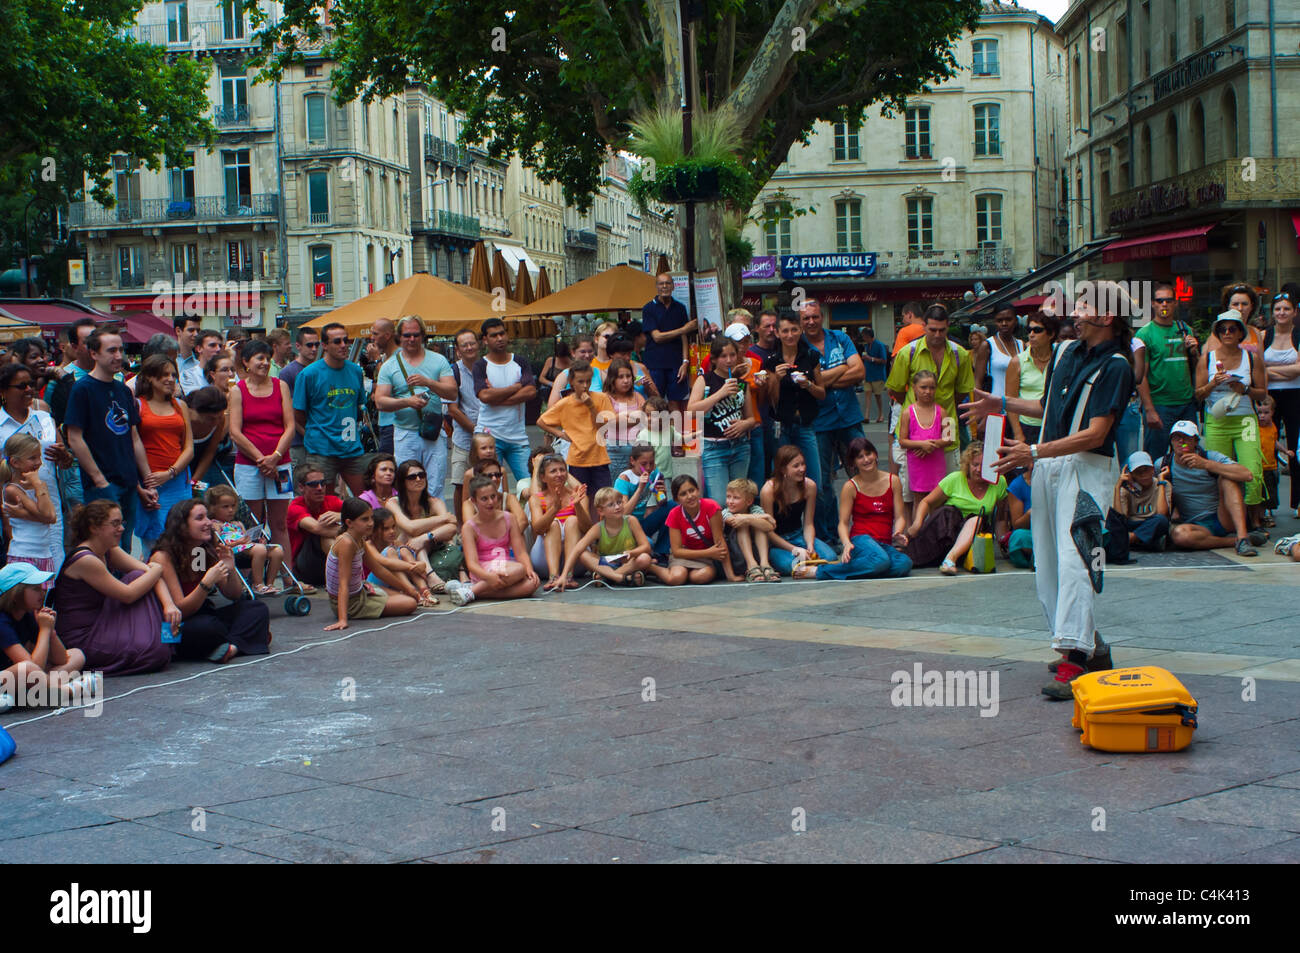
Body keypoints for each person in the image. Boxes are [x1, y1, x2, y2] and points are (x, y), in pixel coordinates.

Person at [962, 284, 1136, 699]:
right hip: (1051, 463)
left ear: (1107, 317)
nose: (1076, 312)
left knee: (1077, 558)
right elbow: (1046, 407)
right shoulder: (1067, 353)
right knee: (1050, 563)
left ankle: (1075, 657)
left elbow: (1096, 434)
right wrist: (999, 404)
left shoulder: (1116, 366)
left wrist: (1034, 450)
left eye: (1086, 305)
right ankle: (1091, 648)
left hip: (1087, 469)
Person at [53, 500, 170, 675]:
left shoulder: (108, 549)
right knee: (153, 652)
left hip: (104, 619)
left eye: (121, 523)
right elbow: (128, 594)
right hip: (84, 636)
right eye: (115, 524)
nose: (122, 528)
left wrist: (170, 605)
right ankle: (167, 642)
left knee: (139, 577)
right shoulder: (86, 559)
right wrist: (158, 567)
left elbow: (148, 574)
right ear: (94, 528)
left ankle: (171, 639)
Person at [150, 498, 271, 663]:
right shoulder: (163, 556)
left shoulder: (199, 551)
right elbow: (182, 611)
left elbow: (233, 595)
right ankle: (246, 639)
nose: (208, 523)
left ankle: (232, 648)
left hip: (203, 615)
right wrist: (206, 583)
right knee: (208, 628)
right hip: (173, 626)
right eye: (200, 518)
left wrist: (230, 567)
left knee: (257, 609)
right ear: (182, 526)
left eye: (207, 517)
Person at [64, 330, 157, 544]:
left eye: (121, 350)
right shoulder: (82, 389)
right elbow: (75, 438)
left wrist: (146, 480)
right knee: (106, 545)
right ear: (94, 354)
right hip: (102, 483)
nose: (118, 356)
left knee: (124, 543)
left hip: (129, 482)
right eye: (111, 350)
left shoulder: (123, 390)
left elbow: (133, 437)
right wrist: (99, 479)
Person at [800, 299, 866, 542]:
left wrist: (821, 381)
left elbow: (859, 372)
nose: (811, 321)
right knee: (822, 482)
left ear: (822, 316)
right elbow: (805, 384)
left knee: (862, 472)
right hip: (819, 422)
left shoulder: (840, 338)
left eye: (815, 316)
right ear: (800, 320)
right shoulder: (799, 345)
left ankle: (865, 529)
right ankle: (828, 536)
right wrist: (840, 369)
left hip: (849, 417)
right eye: (806, 318)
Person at [1196, 310, 1267, 526]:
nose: (1227, 333)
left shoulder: (1251, 358)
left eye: (1232, 329)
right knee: (1221, 472)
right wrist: (1212, 384)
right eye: (1222, 329)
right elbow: (1198, 393)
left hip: (1245, 419)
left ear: (1240, 333)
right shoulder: (1207, 358)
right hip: (1217, 421)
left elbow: (1262, 393)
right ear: (1217, 332)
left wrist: (1244, 389)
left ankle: (1255, 519)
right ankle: (1229, 522)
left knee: (1252, 470)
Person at [375, 315, 457, 498]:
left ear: (423, 336)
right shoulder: (390, 366)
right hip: (405, 433)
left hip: (433, 431)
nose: (412, 339)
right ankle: (412, 525)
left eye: (416, 335)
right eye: (407, 335)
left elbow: (452, 392)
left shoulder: (438, 360)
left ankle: (435, 524)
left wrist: (429, 382)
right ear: (399, 337)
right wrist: (407, 402)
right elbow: (380, 401)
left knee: (435, 487)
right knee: (407, 487)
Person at [228, 338, 295, 560]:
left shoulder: (280, 386)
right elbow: (235, 432)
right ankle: (253, 577)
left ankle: (288, 576)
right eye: (260, 358)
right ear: (246, 362)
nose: (265, 363)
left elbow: (290, 426)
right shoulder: (238, 390)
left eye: (267, 358)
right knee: (252, 524)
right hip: (249, 466)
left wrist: (275, 457)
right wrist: (261, 460)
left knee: (280, 523)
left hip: (281, 464)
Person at [0, 362, 71, 567]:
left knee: (55, 558)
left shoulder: (44, 417)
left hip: (49, 498)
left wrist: (63, 456)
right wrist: (5, 516)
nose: (29, 389)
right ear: (4, 391)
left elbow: (66, 462)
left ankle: (50, 599)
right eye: (21, 386)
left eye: (30, 384)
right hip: (16, 502)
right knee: (26, 563)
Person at [1164, 419, 1267, 556]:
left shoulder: (1210, 456)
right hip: (1196, 525)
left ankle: (1242, 537)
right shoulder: (1164, 463)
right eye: (1176, 437)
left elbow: (1247, 475)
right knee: (1180, 536)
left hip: (1222, 516)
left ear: (1195, 441)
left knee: (1227, 477)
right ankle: (1235, 541)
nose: (1180, 441)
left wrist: (1207, 465)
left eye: (1185, 437)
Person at [816, 437, 912, 580]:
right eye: (860, 457)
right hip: (861, 541)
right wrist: (847, 544)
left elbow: (899, 517)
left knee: (904, 564)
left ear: (876, 455)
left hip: (883, 544)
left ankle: (866, 568)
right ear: (854, 463)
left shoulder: (893, 481)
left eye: (868, 454)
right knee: (881, 560)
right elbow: (842, 523)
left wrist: (898, 532)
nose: (866, 459)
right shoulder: (850, 486)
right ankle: (821, 571)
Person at [905, 441, 1008, 574]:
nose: (978, 470)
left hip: (976, 536)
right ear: (967, 464)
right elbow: (926, 502)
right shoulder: (955, 479)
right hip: (947, 531)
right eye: (975, 465)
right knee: (948, 512)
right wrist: (917, 523)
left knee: (977, 519)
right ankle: (943, 557)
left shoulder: (1000, 482)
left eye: (984, 466)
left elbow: (1000, 519)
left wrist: (1003, 543)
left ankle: (951, 558)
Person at [0, 563, 91, 712]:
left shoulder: (28, 614)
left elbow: (61, 659)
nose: (43, 592)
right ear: (15, 593)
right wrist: (44, 630)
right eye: (35, 589)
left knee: (76, 654)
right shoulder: (2, 621)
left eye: (42, 587)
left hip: (20, 680)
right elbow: (33, 669)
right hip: (9, 678)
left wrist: (50, 631)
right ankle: (67, 690)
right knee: (28, 668)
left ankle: (38, 692)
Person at [293, 322, 369, 495]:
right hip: (321, 450)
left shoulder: (355, 371)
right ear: (325, 346)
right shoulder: (308, 374)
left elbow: (358, 407)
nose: (343, 345)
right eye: (337, 341)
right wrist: (317, 431)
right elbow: (298, 413)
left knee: (365, 498)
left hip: (351, 448)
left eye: (346, 340)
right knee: (322, 502)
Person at [322, 498, 418, 629]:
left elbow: (378, 569)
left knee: (407, 595)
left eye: (371, 518)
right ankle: (350, 612)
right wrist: (342, 620)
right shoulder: (347, 543)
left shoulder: (359, 539)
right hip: (351, 602)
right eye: (365, 519)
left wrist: (408, 588)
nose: (371, 523)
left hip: (361, 589)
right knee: (410, 604)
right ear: (349, 523)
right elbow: (343, 584)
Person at [133, 355, 195, 552]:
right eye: (164, 375)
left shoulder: (180, 405)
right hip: (150, 483)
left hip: (178, 480)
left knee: (185, 536)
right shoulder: (138, 405)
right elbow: (131, 446)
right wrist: (142, 484)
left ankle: (188, 580)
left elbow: (189, 447)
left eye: (173, 375)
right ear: (150, 378)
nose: (170, 379)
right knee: (156, 542)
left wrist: (170, 472)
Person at [446, 476, 540, 605]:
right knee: (519, 569)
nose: (490, 502)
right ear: (474, 501)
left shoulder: (509, 518)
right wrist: (488, 577)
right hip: (484, 572)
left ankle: (473, 592)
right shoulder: (469, 527)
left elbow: (521, 552)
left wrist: (529, 569)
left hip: (507, 568)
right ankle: (476, 589)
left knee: (531, 584)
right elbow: (472, 564)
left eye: (493, 496)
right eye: (484, 499)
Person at [689, 335, 758, 506]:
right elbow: (691, 410)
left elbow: (752, 418)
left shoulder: (742, 384)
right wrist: (721, 393)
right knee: (719, 502)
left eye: (732, 355)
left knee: (739, 500)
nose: (728, 360)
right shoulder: (705, 380)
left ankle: (737, 533)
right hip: (714, 448)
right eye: (723, 356)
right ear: (714, 359)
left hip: (740, 446)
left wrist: (745, 424)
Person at [1135, 281, 1200, 463]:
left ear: (1175, 303)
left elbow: (1196, 366)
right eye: (1160, 300)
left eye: (1169, 300)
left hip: (1186, 404)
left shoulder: (1184, 329)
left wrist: (1194, 351)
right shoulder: (1144, 334)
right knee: (1155, 459)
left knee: (1188, 456)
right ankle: (1157, 491)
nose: (1164, 304)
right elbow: (1141, 377)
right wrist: (1149, 409)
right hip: (1160, 405)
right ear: (1153, 303)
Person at [763, 313, 826, 492]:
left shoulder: (810, 356)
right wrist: (775, 379)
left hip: (805, 424)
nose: (790, 335)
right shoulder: (772, 361)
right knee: (784, 484)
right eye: (785, 331)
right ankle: (786, 520)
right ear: (778, 333)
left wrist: (808, 385)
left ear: (800, 331)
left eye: (794, 330)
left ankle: (813, 520)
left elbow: (821, 393)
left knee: (815, 483)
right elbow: (771, 401)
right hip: (781, 427)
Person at [536, 360, 615, 501]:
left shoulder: (601, 398)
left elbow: (603, 428)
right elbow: (541, 421)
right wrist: (560, 434)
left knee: (603, 499)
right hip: (577, 459)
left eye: (588, 381)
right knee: (581, 498)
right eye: (580, 381)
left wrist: (591, 406)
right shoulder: (565, 403)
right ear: (571, 382)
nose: (585, 386)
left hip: (599, 457)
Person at [473, 317, 537, 483]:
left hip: (518, 436)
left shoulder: (520, 361)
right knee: (490, 487)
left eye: (502, 333)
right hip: (489, 436)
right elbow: (484, 396)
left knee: (531, 484)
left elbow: (531, 391)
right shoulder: (481, 365)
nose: (500, 338)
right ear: (485, 340)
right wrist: (515, 387)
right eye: (494, 335)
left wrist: (497, 396)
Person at [556, 485, 656, 587]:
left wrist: (632, 552)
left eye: (619, 502)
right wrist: (564, 575)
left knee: (645, 558)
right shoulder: (598, 528)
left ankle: (607, 577)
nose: (617, 507)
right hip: (606, 564)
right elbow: (577, 549)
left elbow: (646, 546)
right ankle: (621, 578)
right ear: (600, 511)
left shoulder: (631, 521)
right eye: (611, 505)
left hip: (627, 563)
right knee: (583, 555)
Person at [760, 445, 836, 576]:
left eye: (803, 464)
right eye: (796, 466)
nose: (802, 469)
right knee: (789, 565)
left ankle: (810, 570)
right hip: (777, 541)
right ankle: (816, 571)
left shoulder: (809, 486)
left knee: (830, 557)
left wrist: (810, 544)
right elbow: (769, 532)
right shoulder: (768, 490)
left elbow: (808, 524)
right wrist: (794, 549)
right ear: (783, 469)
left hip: (798, 535)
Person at [388, 458, 458, 590]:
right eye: (412, 477)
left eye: (422, 475)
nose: (418, 479)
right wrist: (442, 518)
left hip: (429, 549)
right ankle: (430, 576)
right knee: (411, 534)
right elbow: (410, 528)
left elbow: (452, 527)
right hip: (400, 554)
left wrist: (425, 537)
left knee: (417, 537)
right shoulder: (392, 503)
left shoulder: (434, 502)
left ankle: (430, 575)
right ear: (402, 482)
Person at [206, 484, 284, 595]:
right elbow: (218, 544)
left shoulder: (238, 523)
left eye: (233, 506)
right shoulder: (216, 525)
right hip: (231, 550)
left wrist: (257, 541)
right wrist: (239, 542)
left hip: (247, 547)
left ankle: (269, 584)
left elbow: (247, 538)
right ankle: (257, 584)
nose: (231, 510)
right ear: (213, 508)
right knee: (260, 550)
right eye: (225, 507)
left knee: (278, 550)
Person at [1263, 290, 1300, 518]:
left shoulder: (1299, 334)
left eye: (1287, 308)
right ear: (1272, 312)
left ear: (1295, 311)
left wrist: (1270, 371)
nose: (1282, 312)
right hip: (1269, 397)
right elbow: (1258, 367)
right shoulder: (1264, 335)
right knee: (1267, 446)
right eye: (1278, 309)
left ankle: (1298, 502)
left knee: (1296, 449)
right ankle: (1267, 505)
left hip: (1296, 394)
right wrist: (1287, 371)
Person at [1, 433, 58, 580]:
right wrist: (39, 485)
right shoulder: (12, 489)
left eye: (39, 457)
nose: (39, 462)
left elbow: (53, 517)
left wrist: (38, 486)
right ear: (15, 462)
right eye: (32, 458)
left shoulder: (36, 486)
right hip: (25, 553)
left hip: (43, 552)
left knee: (42, 599)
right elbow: (47, 516)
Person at [529, 453, 590, 590]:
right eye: (553, 471)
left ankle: (568, 576)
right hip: (544, 559)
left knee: (573, 520)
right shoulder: (536, 499)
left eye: (562, 470)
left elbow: (587, 528)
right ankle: (553, 577)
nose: (559, 474)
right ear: (543, 477)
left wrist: (577, 505)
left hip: (577, 562)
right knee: (552, 523)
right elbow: (537, 529)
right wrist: (554, 509)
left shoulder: (578, 496)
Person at [896, 369, 951, 516]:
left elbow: (949, 438)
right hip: (918, 463)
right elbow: (902, 441)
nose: (928, 391)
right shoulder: (907, 412)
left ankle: (937, 532)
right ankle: (918, 534)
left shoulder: (943, 412)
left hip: (936, 463)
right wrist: (921, 445)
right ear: (914, 388)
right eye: (923, 387)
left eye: (932, 388)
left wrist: (931, 445)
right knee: (919, 499)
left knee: (937, 498)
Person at [641, 272, 693, 413]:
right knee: (655, 403)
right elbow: (657, 337)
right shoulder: (648, 308)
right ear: (656, 287)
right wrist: (683, 329)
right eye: (661, 283)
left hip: (676, 363)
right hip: (655, 364)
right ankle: (656, 433)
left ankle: (675, 434)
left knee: (675, 403)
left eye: (668, 283)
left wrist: (685, 361)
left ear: (673, 286)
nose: (664, 286)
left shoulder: (680, 308)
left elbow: (684, 337)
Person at [365, 508, 439, 607]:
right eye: (386, 529)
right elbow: (384, 562)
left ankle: (425, 591)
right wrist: (413, 566)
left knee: (404, 550)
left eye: (393, 527)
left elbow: (406, 557)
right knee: (390, 552)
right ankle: (412, 591)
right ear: (374, 531)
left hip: (395, 584)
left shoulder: (395, 542)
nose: (392, 531)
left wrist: (416, 565)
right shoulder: (368, 545)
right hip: (376, 583)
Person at [1005, 311, 1059, 444]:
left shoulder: (1061, 358)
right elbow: (1010, 401)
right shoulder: (1017, 361)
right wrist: (1018, 434)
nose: (1031, 335)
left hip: (1054, 425)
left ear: (1051, 334)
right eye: (1029, 330)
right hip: (1027, 427)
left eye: (1037, 330)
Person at [664, 473, 728, 585]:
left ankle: (687, 573)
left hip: (708, 556)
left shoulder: (711, 507)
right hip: (686, 553)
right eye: (683, 494)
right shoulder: (674, 514)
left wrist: (731, 576)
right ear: (676, 499)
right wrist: (708, 553)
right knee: (677, 578)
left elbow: (720, 542)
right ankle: (652, 567)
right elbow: (677, 551)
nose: (689, 496)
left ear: (698, 490)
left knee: (700, 577)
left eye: (692, 490)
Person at [286, 465, 343, 588]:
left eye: (323, 483)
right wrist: (352, 529)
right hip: (304, 568)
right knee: (324, 535)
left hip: (327, 566)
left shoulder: (332, 500)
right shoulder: (295, 507)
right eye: (313, 484)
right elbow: (317, 528)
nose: (320, 488)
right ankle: (346, 579)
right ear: (301, 487)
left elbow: (363, 514)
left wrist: (341, 516)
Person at [447, 328, 482, 519]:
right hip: (463, 439)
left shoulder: (488, 367)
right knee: (460, 484)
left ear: (478, 344)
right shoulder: (453, 372)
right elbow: (453, 409)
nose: (469, 347)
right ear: (458, 350)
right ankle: (461, 526)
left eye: (472, 343)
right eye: (464, 345)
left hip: (488, 438)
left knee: (488, 481)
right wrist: (475, 431)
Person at [613, 444, 672, 556]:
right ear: (632, 461)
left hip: (641, 524)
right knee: (648, 544)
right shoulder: (624, 479)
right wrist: (640, 489)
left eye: (651, 463)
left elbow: (662, 504)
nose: (648, 468)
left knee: (671, 506)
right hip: (625, 527)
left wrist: (662, 493)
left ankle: (662, 552)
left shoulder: (654, 473)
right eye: (644, 464)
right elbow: (623, 514)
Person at [720, 478, 778, 583]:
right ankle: (751, 566)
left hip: (757, 557)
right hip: (737, 558)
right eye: (728, 497)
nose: (730, 501)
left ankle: (765, 563)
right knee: (743, 524)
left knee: (758, 525)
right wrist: (765, 516)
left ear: (749, 501)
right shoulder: (725, 512)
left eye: (736, 498)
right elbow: (734, 521)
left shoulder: (755, 509)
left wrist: (748, 518)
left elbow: (769, 527)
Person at [1111, 451, 1171, 551]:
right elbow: (1120, 519)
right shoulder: (1126, 489)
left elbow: (1162, 513)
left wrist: (1161, 482)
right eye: (1138, 471)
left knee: (1161, 521)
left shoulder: (1163, 484)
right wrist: (1118, 488)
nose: (1143, 475)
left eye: (1146, 470)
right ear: (1130, 474)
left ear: (1152, 470)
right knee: (1118, 527)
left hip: (1152, 524)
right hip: (1133, 524)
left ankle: (1128, 540)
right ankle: (1140, 541)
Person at [278, 326, 321, 469]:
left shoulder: (321, 369)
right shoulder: (288, 372)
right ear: (298, 346)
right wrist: (308, 435)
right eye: (309, 345)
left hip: (321, 439)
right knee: (301, 484)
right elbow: (289, 411)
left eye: (317, 344)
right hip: (299, 441)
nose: (314, 349)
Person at [748, 310, 780, 486]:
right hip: (760, 421)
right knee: (762, 472)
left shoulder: (784, 349)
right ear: (757, 329)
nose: (771, 330)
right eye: (767, 326)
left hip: (783, 420)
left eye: (775, 326)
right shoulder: (751, 355)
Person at [602, 357, 648, 479]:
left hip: (636, 452)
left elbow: (646, 416)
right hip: (614, 452)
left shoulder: (638, 396)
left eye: (628, 376)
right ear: (612, 379)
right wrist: (635, 417)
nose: (626, 380)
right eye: (620, 377)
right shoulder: (606, 397)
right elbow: (611, 422)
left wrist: (623, 417)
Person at [365, 318, 399, 455]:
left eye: (375, 334)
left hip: (395, 423)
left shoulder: (400, 357)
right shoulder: (386, 358)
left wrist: (377, 360)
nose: (372, 338)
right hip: (385, 421)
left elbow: (393, 383)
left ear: (387, 335)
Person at [185, 385, 230, 485]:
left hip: (199, 467)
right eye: (211, 419)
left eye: (219, 417)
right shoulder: (183, 418)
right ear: (198, 411)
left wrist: (194, 481)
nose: (216, 422)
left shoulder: (219, 419)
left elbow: (210, 452)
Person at [1207, 283, 1264, 353]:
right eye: (1235, 304)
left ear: (1251, 306)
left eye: (1244, 304)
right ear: (1228, 306)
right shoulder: (1219, 333)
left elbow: (1261, 363)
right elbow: (1213, 360)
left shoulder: (1256, 333)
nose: (1240, 308)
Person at [1256, 397, 1286, 525]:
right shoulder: (1256, 428)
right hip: (1259, 466)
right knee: (1260, 491)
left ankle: (1268, 512)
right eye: (1259, 413)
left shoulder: (1273, 427)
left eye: (1266, 413)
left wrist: (1285, 450)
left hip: (1271, 465)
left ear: (1272, 412)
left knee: (1271, 490)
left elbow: (1274, 442)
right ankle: (1262, 516)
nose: (1262, 416)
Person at [859, 327, 889, 423]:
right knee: (867, 393)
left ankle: (881, 414)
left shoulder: (880, 345)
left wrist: (870, 358)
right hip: (868, 374)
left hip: (877, 374)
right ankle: (866, 415)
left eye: (864, 336)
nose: (863, 338)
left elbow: (884, 360)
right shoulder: (867, 346)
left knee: (878, 395)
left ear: (869, 336)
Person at [174, 316, 206, 394]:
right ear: (178, 331)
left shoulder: (199, 365)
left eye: (198, 330)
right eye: (191, 330)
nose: (196, 334)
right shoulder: (166, 361)